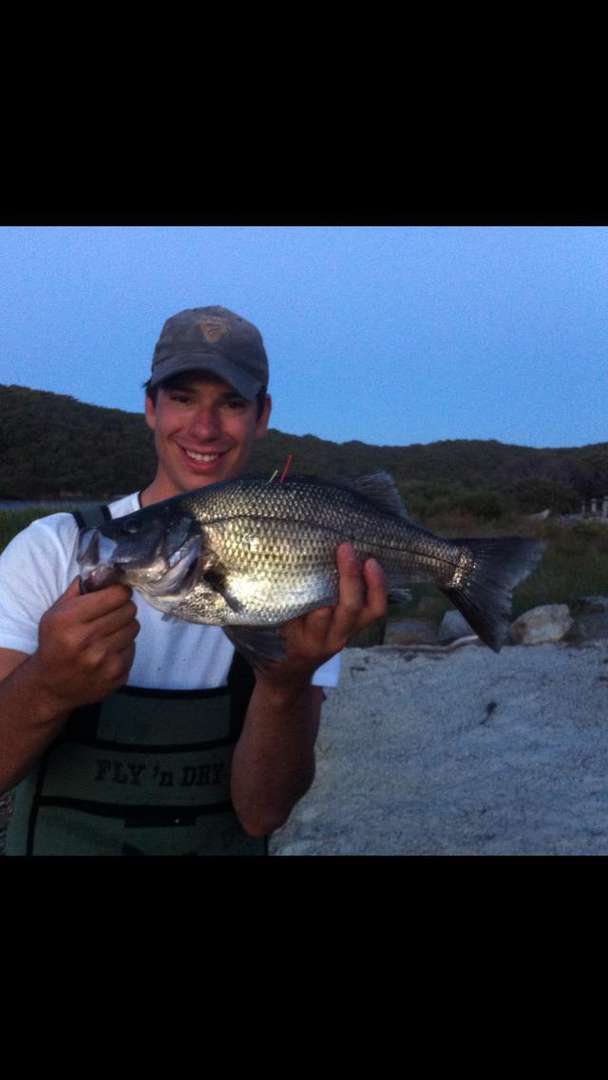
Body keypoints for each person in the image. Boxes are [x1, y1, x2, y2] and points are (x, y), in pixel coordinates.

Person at [0, 306, 387, 855]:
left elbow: (263, 814)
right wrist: (47, 683)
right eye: (183, 398)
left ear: (262, 415)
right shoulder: (50, 549)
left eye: (231, 403)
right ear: (151, 407)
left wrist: (286, 683)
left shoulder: (305, 566)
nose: (205, 428)